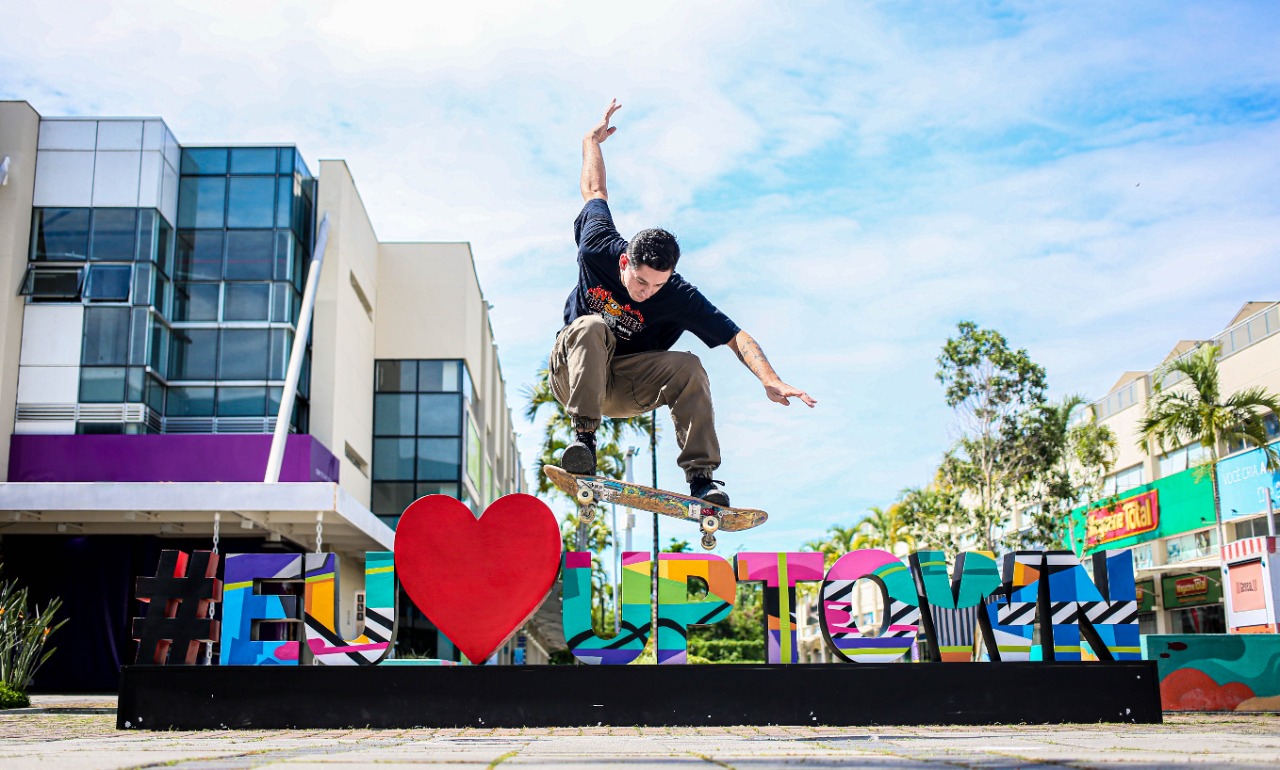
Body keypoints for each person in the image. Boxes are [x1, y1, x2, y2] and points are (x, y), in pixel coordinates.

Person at [550, 99, 816, 507]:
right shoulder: (597, 245)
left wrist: (770, 378)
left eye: (657, 286)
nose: (646, 291)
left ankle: (702, 479)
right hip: (574, 372)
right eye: (640, 281)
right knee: (593, 326)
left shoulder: (678, 294)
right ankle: (583, 443)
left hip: (624, 385)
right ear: (625, 261)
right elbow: (595, 190)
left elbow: (736, 336)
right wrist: (591, 141)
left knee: (690, 365)